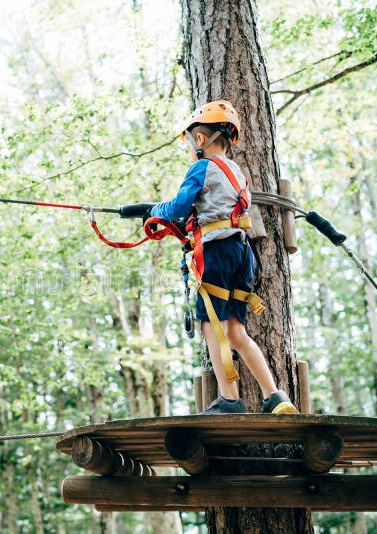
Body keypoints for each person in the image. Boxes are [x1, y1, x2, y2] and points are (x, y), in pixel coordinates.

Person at [124, 100, 297, 415]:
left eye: (190, 145)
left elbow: (177, 208)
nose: (189, 152)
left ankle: (230, 401)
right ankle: (275, 397)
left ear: (200, 141)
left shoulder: (201, 168)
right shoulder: (236, 173)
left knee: (210, 326)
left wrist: (153, 211)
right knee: (235, 331)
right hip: (241, 253)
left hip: (215, 252)